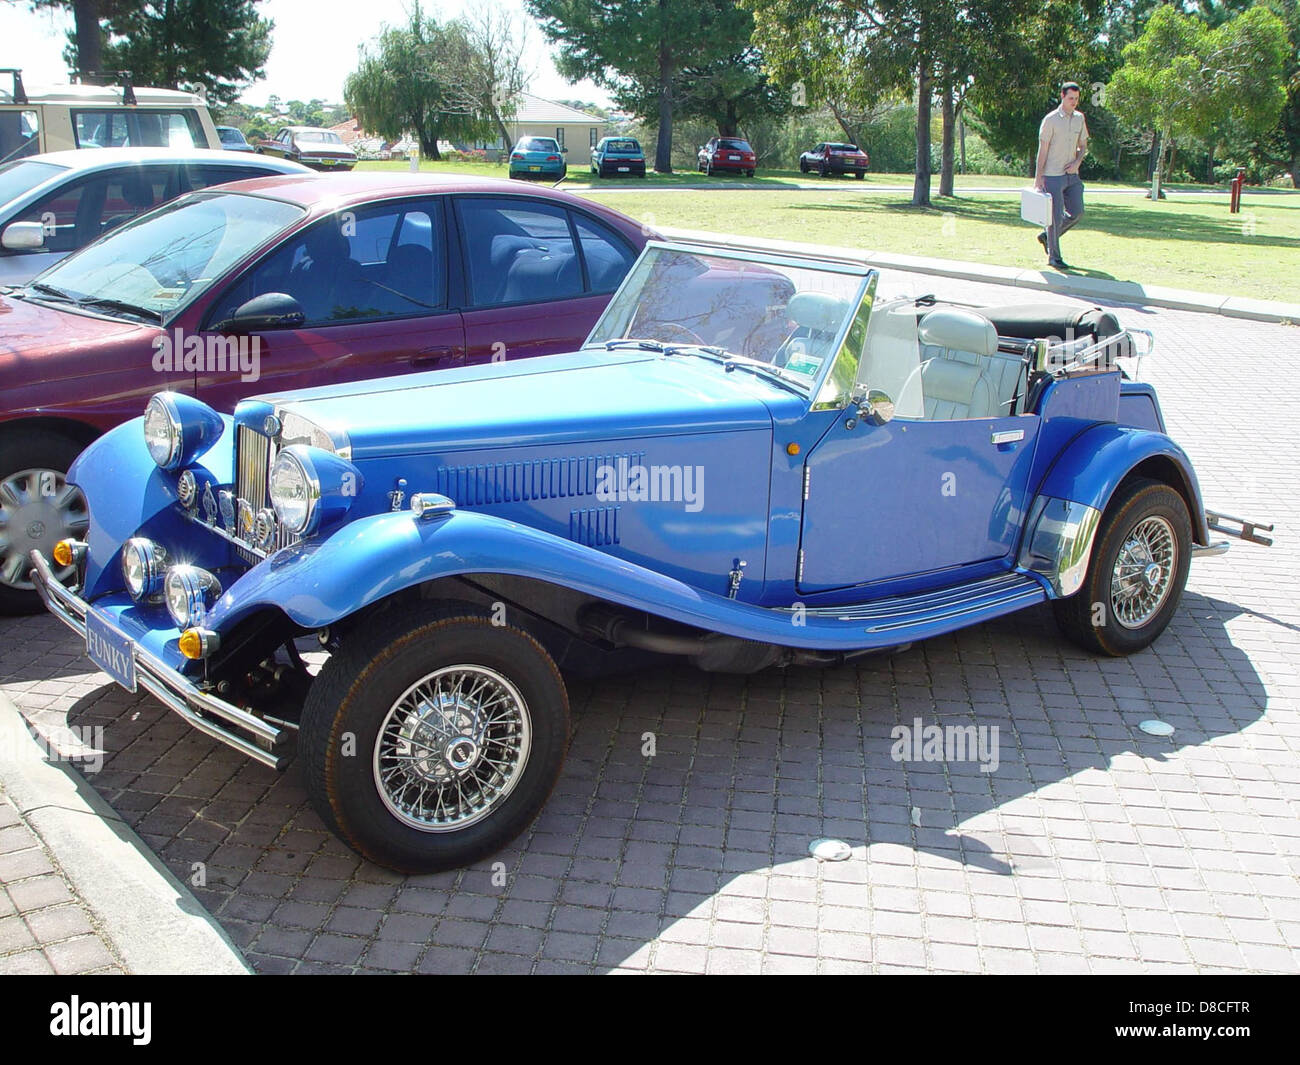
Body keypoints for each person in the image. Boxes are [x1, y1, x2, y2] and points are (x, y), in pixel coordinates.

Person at [1034, 82, 1089, 270]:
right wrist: (1038, 177)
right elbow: (1043, 150)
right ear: (1062, 96)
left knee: (1077, 212)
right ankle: (1054, 257)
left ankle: (1048, 237)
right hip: (1052, 174)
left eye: (1076, 99)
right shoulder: (1050, 120)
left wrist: (1077, 162)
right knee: (1055, 217)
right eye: (1071, 98)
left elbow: (1083, 145)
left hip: (1072, 175)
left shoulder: (1079, 119)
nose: (1074, 102)